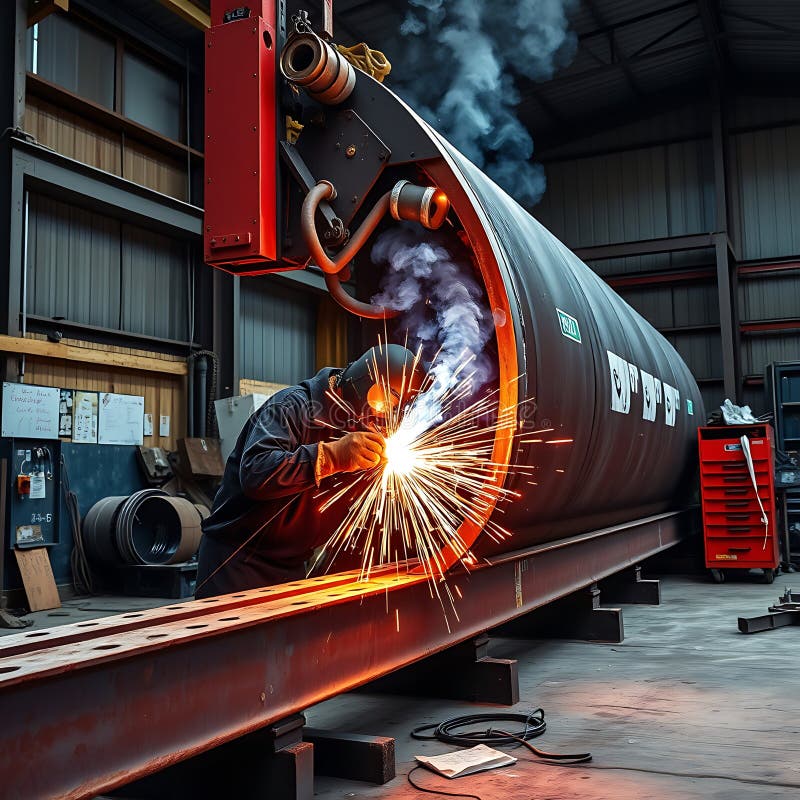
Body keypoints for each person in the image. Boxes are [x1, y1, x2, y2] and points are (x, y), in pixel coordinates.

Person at [195, 344, 424, 598]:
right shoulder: (290, 406)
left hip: (291, 567)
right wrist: (331, 457)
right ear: (363, 381)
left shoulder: (365, 423)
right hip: (236, 563)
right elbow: (255, 472)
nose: (381, 414)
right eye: (382, 402)